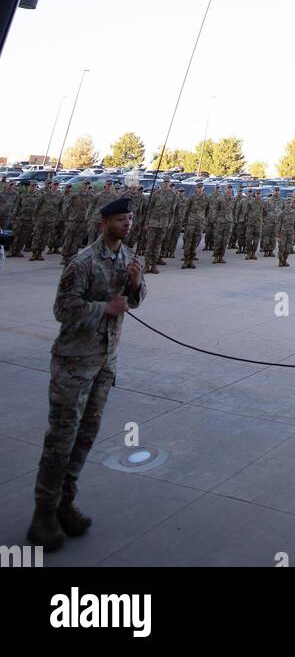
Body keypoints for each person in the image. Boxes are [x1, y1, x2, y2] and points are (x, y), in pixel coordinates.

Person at [27, 195, 146, 551]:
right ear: (103, 223)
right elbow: (63, 309)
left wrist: (136, 283)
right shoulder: (82, 262)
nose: (127, 224)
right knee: (61, 439)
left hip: (105, 363)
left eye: (130, 219)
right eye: (121, 219)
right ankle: (43, 514)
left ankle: (65, 503)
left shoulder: (127, 258)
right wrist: (105, 307)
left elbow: (135, 300)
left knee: (85, 437)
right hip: (74, 364)